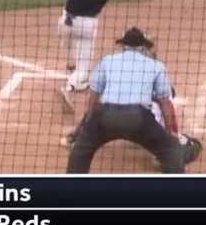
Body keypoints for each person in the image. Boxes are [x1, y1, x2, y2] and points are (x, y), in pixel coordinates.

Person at [66, 27, 188, 174]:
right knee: (170, 151)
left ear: (123, 46)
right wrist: (170, 134)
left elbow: (93, 98)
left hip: (106, 117)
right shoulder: (156, 66)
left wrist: (88, 127)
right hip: (138, 119)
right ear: (143, 47)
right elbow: (165, 103)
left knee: (80, 152)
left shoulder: (107, 61)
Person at [57, 0, 128, 112]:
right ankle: (71, 85)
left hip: (66, 22)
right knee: (84, 69)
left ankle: (71, 67)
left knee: (69, 41)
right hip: (89, 25)